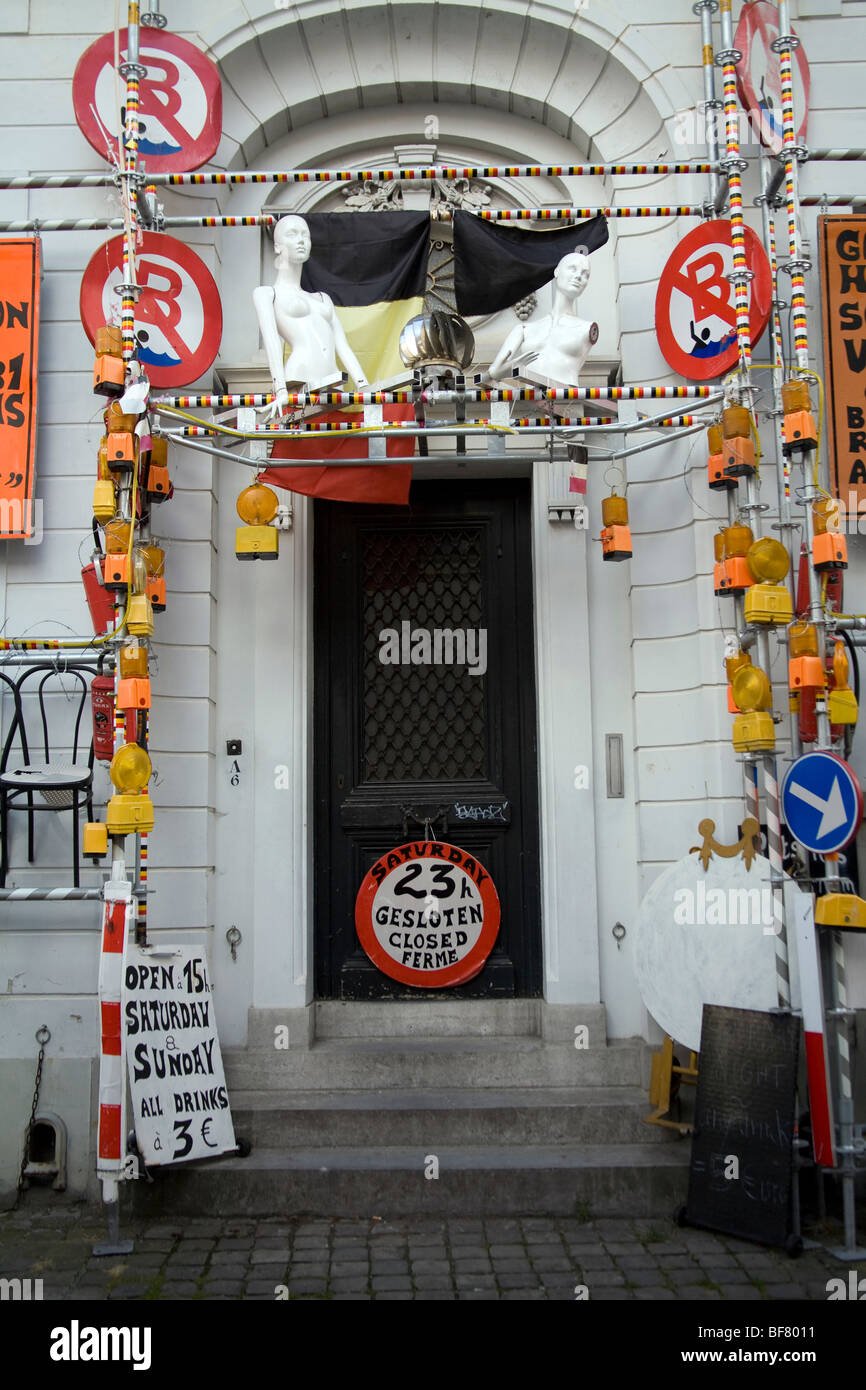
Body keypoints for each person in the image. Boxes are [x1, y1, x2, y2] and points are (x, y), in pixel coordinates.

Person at [253, 214, 368, 415]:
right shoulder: (267, 294)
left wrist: (364, 385)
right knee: (302, 440)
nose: (301, 240)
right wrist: (280, 389)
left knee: (335, 438)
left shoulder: (323, 298)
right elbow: (272, 343)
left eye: (305, 235)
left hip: (333, 381)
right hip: (300, 375)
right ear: (277, 246)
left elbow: (342, 345)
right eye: (292, 234)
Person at [488, 249, 599, 389]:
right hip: (532, 401)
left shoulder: (587, 328)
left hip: (568, 400)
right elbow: (494, 372)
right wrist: (511, 367)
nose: (578, 276)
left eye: (585, 275)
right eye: (573, 269)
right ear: (557, 272)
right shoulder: (524, 330)